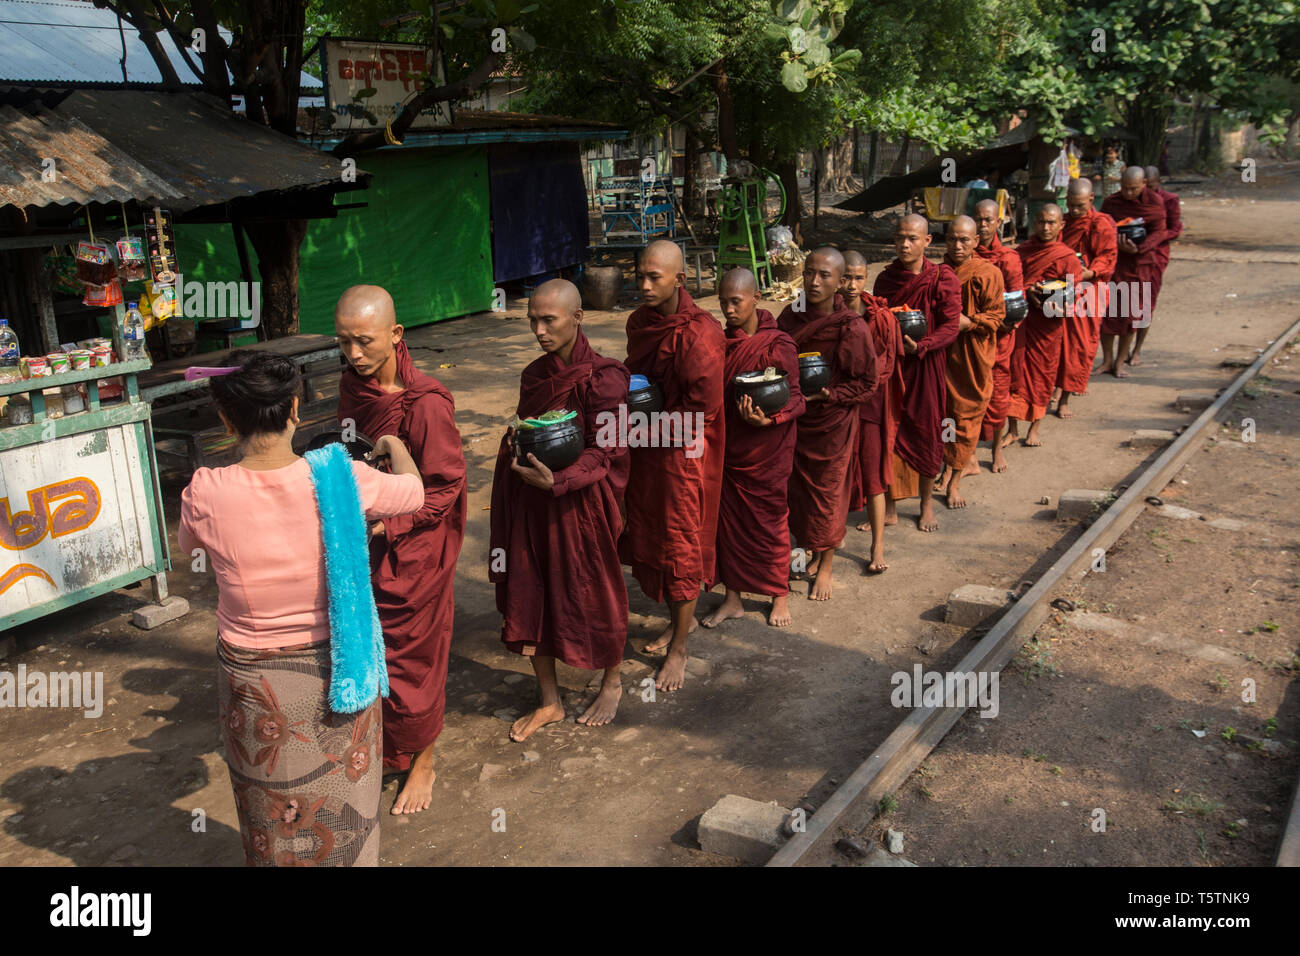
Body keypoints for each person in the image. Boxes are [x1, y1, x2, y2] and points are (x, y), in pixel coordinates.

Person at [179, 351, 426, 865]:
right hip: (339, 674)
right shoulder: (344, 479)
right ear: (295, 407)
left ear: (227, 420)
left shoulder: (205, 491)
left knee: (270, 816)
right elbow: (414, 494)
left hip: (253, 688)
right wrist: (395, 446)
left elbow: (189, 547)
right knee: (346, 808)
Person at [335, 285, 467, 815]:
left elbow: (445, 487)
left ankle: (425, 757)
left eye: (364, 342)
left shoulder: (426, 404)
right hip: (366, 536)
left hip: (418, 546)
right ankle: (387, 748)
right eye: (343, 343)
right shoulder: (354, 385)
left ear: (396, 335)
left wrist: (391, 527)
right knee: (373, 650)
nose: (354, 355)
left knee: (417, 655)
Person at [489, 280, 631, 740]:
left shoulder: (605, 377)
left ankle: (613, 679)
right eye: (533, 319)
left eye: (548, 320)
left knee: (597, 593)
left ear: (577, 317)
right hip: (533, 496)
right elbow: (530, 425)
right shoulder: (536, 375)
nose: (539, 330)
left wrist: (562, 481)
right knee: (531, 593)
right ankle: (549, 700)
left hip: (584, 503)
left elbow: (606, 448)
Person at [621, 239, 725, 692]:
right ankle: (674, 625)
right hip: (648, 449)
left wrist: (647, 425)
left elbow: (705, 411)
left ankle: (680, 648)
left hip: (684, 454)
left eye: (654, 277)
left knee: (682, 548)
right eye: (639, 276)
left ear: (679, 280)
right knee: (651, 537)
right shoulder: (640, 322)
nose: (643, 285)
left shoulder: (701, 334)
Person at [702, 268, 805, 627]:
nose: (729, 310)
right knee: (728, 526)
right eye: (723, 303)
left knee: (770, 522)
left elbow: (797, 399)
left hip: (767, 450)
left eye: (736, 301)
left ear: (756, 299)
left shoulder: (778, 344)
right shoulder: (720, 342)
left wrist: (769, 421)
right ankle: (733, 598)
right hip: (731, 449)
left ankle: (779, 593)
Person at [779, 247, 876, 598]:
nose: (814, 281)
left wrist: (828, 396)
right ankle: (811, 554)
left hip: (832, 423)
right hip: (797, 419)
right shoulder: (791, 316)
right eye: (809, 273)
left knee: (828, 494)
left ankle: (828, 563)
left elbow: (867, 383)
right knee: (799, 494)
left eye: (824, 275)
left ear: (839, 282)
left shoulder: (850, 326)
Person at [873, 214, 962, 532]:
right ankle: (891, 503)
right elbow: (876, 319)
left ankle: (925, 505)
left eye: (912, 238)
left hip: (925, 365)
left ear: (927, 241)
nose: (904, 244)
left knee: (927, 434)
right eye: (899, 238)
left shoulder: (942, 278)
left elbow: (951, 325)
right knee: (889, 433)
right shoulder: (885, 279)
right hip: (893, 367)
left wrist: (923, 345)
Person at [935, 216, 1004, 509]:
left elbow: (997, 316)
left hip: (972, 356)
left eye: (964, 240)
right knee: (943, 414)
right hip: (941, 356)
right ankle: (945, 467)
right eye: (952, 239)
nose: (958, 245)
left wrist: (970, 322)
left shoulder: (988, 273)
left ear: (976, 241)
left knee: (965, 418)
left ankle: (956, 481)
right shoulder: (937, 273)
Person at [843, 250, 904, 573]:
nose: (852, 285)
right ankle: (831, 536)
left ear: (866, 278)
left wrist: (857, 387)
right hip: (835, 405)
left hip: (870, 404)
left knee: (874, 475)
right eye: (846, 278)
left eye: (858, 278)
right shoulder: (827, 311)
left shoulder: (880, 316)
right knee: (836, 474)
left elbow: (887, 363)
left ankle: (878, 545)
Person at [1005, 204, 1084, 448]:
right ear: (1033, 223)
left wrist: (1061, 301)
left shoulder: (1067, 257)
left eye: (1051, 223)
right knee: (1015, 372)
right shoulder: (1022, 251)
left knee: (1042, 375)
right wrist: (1028, 289)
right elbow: (1012, 283)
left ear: (1061, 225)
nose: (1045, 227)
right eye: (1041, 222)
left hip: (1048, 327)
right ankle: (1013, 429)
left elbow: (1076, 291)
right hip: (1023, 322)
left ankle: (1035, 427)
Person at [1056, 177, 1118, 418]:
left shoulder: (1102, 224)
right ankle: (1051, 387)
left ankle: (1065, 397)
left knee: (1079, 346)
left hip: (1090, 288)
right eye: (1071, 205)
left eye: (1080, 206)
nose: (1074, 210)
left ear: (1092, 199)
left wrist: (1089, 272)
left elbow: (1108, 256)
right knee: (1055, 343)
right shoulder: (1062, 222)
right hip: (1062, 286)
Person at [1099, 166, 1169, 375]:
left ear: (1144, 185)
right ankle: (1107, 360)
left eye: (1134, 189)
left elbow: (1159, 231)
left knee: (1132, 315)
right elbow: (1102, 227)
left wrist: (1140, 247)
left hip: (1140, 264)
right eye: (1125, 188)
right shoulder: (1112, 202)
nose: (1128, 193)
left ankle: (1121, 361)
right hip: (1116, 263)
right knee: (1109, 313)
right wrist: (1114, 243)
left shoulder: (1154, 203)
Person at [972, 199, 1024, 475]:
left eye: (988, 220)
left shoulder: (1008, 259)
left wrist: (1002, 322)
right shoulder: (965, 255)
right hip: (970, 336)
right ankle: (966, 455)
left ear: (998, 222)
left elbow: (1016, 300)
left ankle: (996, 450)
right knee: (967, 396)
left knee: (998, 396)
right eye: (978, 219)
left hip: (1000, 336)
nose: (982, 225)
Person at [1140, 164, 1183, 365]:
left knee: (1147, 302)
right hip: (1131, 255)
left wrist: (1154, 238)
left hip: (1156, 254)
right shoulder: (1131, 200)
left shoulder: (1168, 200)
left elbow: (1175, 229)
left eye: (1151, 186)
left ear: (1158, 183)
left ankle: (1137, 349)